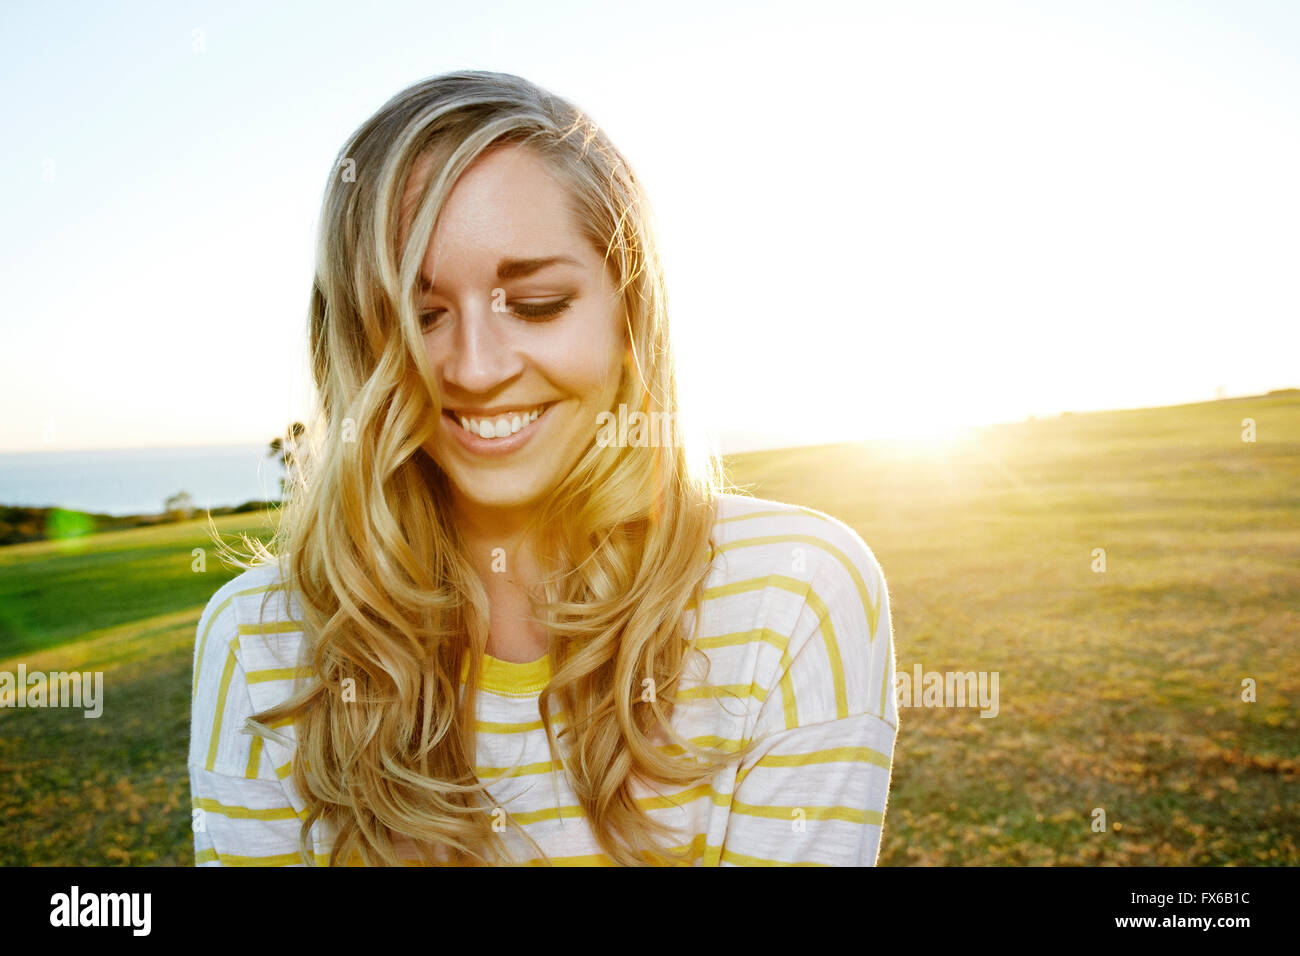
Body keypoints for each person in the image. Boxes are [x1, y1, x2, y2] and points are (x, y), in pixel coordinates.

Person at [189, 70, 898, 866]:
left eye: (536, 305)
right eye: (419, 317)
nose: (477, 368)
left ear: (630, 313)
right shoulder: (259, 641)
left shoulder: (794, 593)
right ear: (358, 344)